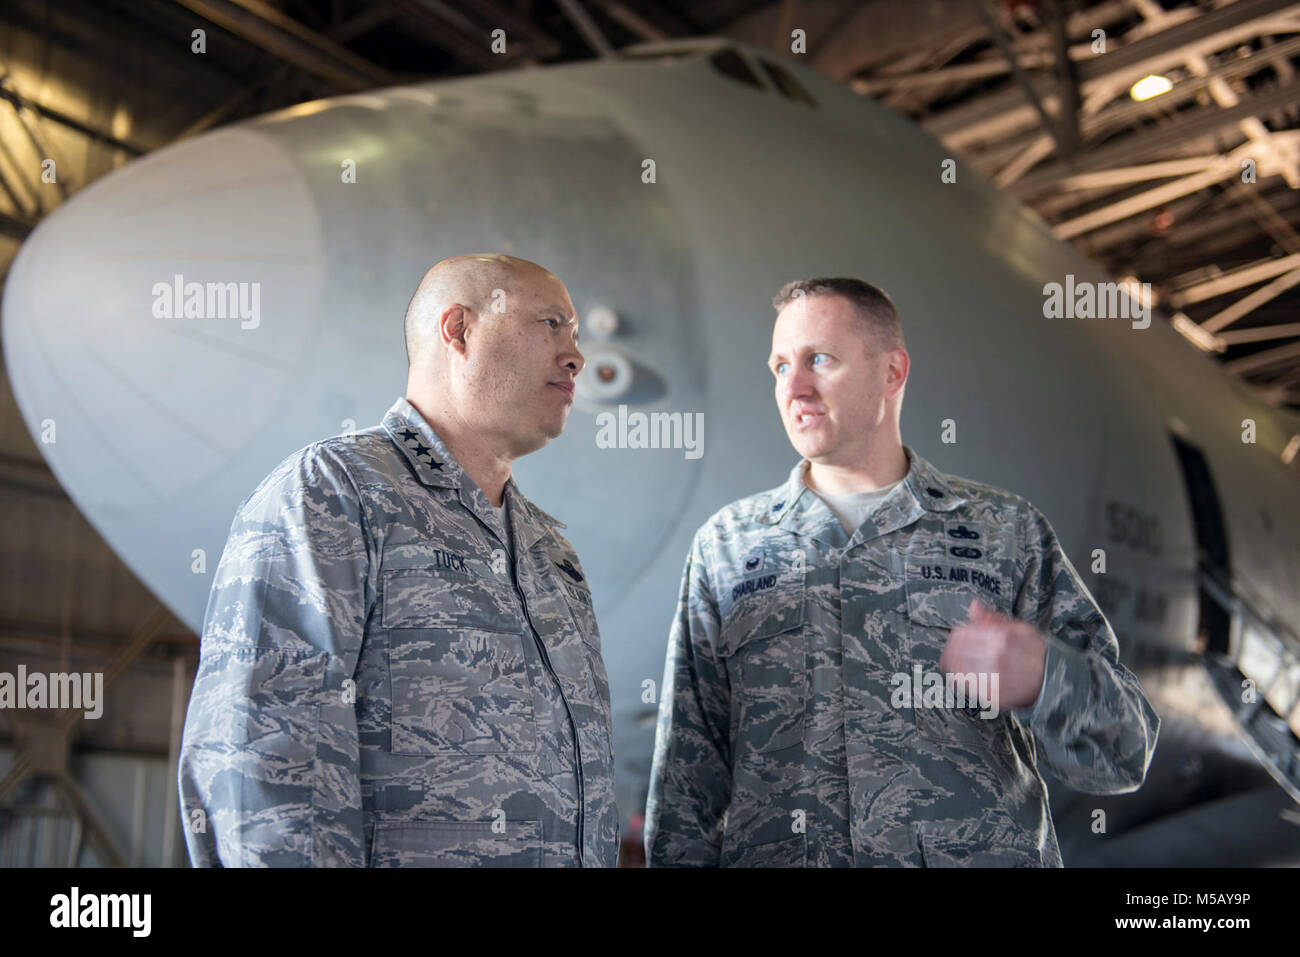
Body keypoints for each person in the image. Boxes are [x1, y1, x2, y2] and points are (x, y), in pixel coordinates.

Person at [644, 277, 1159, 867]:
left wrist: (1047, 677)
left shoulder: (1003, 532)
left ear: (892, 372)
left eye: (819, 359)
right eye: (780, 366)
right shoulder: (728, 547)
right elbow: (687, 782)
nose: (796, 387)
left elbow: (1124, 755)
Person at [179, 253, 618, 867]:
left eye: (575, 336)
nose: (575, 356)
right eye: (551, 324)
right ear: (458, 329)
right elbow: (264, 764)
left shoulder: (550, 551)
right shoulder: (334, 493)